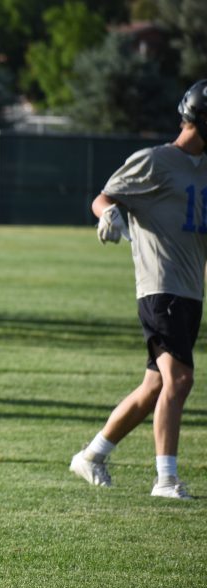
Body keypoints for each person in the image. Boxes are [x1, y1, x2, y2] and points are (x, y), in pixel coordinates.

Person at [69, 79, 207, 501]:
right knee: (179, 379)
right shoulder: (155, 160)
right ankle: (166, 479)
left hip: (189, 292)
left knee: (154, 388)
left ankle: (92, 455)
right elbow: (104, 197)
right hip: (159, 288)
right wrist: (109, 215)